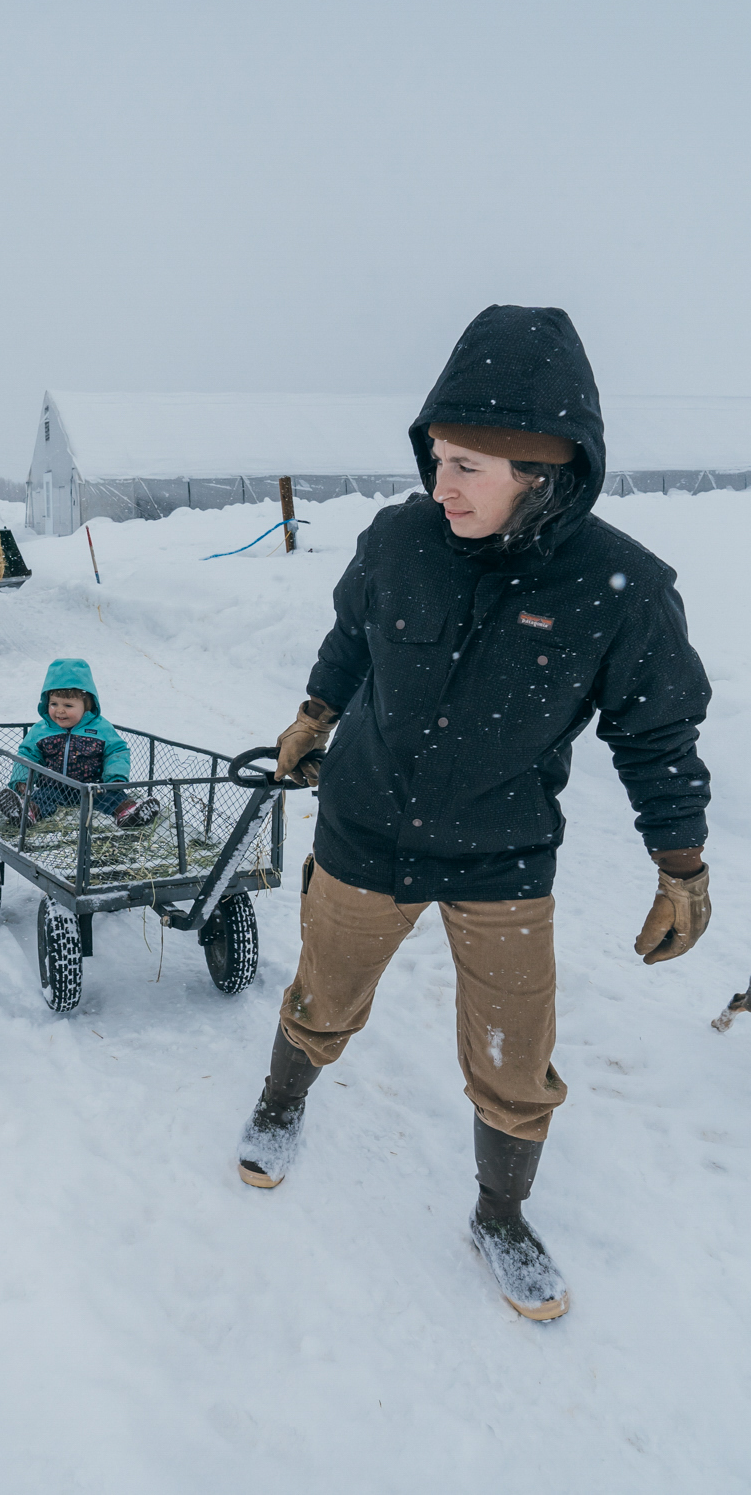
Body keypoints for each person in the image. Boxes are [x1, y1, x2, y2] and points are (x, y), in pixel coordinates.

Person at [236, 305, 712, 1321]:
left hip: (504, 854)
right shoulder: (398, 539)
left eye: (466, 466)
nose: (439, 485)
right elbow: (351, 635)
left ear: (543, 474)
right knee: (324, 993)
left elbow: (657, 734)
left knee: (513, 1053)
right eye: (436, 458)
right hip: (363, 826)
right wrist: (316, 712)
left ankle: (500, 1214)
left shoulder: (620, 589)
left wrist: (680, 864)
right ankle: (280, 1103)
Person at [0, 658, 159, 829]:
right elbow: (27, 755)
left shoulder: (101, 728)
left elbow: (116, 751)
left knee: (113, 797)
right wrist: (22, 780)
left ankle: (128, 813)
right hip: (53, 787)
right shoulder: (41, 730)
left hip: (93, 787)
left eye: (68, 705)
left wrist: (115, 777)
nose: (59, 710)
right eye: (54, 704)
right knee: (41, 798)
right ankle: (26, 812)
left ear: (87, 706)